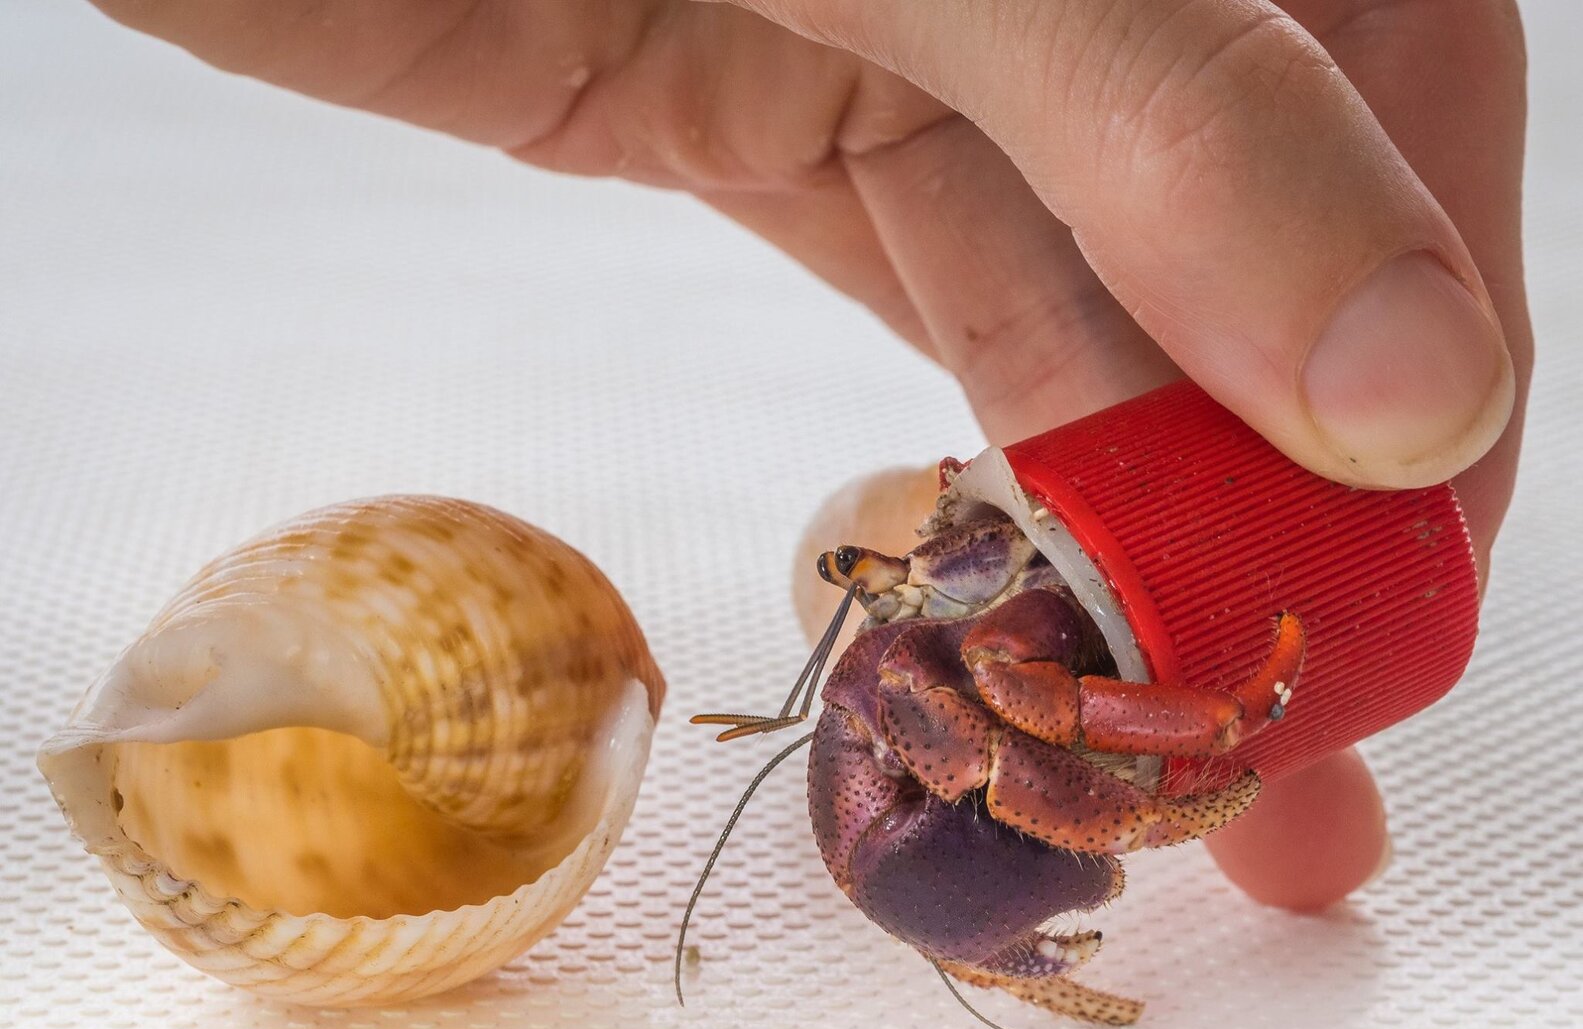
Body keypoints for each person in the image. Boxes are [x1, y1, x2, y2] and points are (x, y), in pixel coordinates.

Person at [93, 0, 1531, 909]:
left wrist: (1216, 719)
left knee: (1000, 668)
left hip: (1067, 585)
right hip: (1039, 615)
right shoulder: (923, 651)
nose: (877, 592)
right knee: (962, 665)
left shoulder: (980, 614)